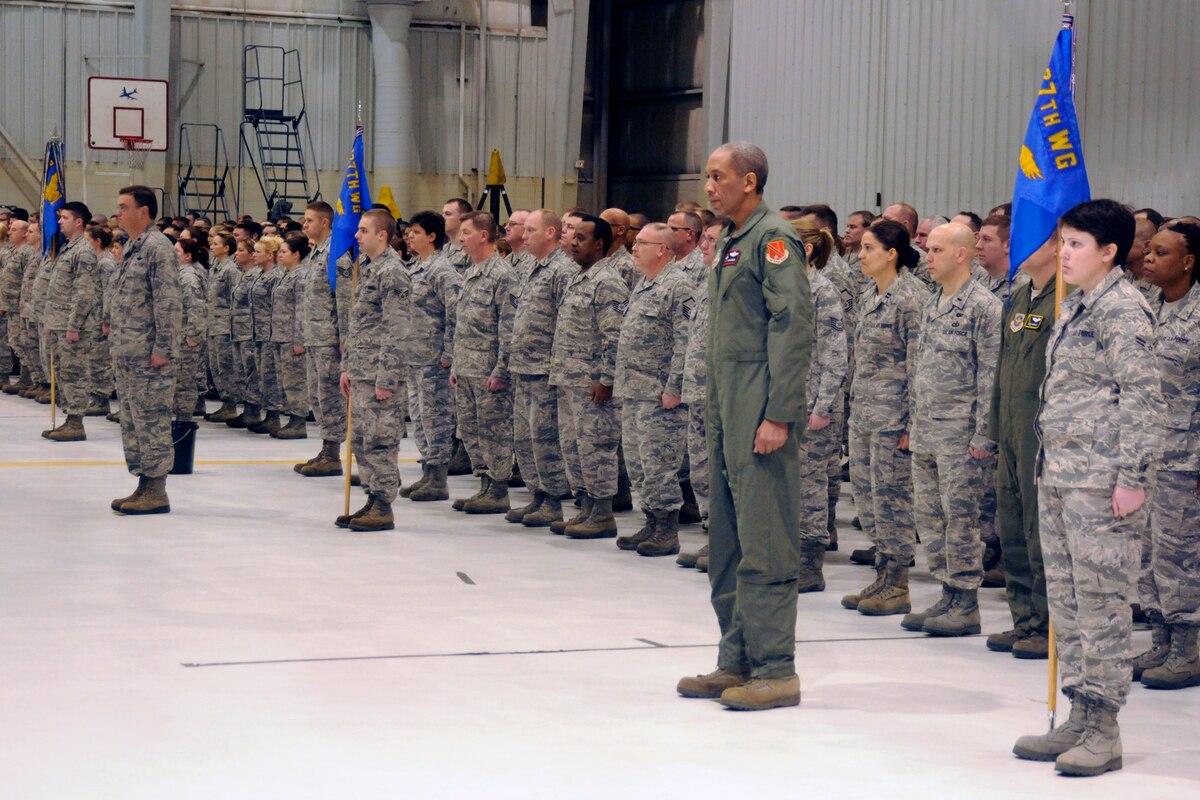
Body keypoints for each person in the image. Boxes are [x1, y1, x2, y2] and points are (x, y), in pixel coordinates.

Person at [1014, 199, 1164, 777]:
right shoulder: (1078, 304)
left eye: (1076, 244)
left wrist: (1133, 478)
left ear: (1109, 252)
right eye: (1063, 242)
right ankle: (1079, 714)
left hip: (1102, 486)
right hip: (1062, 477)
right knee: (1070, 603)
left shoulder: (1121, 310)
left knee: (1101, 606)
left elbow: (1144, 398)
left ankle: (1105, 729)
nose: (1064, 253)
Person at [676, 141, 812, 711]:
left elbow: (792, 325)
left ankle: (776, 669)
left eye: (718, 176)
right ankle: (736, 659)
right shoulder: (733, 239)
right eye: (707, 177)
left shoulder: (773, 238)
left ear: (750, 181)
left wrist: (778, 412)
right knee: (728, 538)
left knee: (766, 537)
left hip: (759, 400)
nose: (709, 187)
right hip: (726, 399)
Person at [902, 223, 1001, 636]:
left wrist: (983, 434)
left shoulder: (984, 307)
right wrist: (913, 422)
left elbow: (991, 375)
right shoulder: (934, 301)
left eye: (937, 250)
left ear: (962, 254)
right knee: (930, 517)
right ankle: (946, 592)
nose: (927, 256)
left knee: (961, 519)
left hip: (961, 435)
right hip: (928, 428)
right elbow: (921, 368)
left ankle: (966, 601)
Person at [841, 220, 929, 616]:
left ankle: (898, 584)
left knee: (893, 500)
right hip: (864, 414)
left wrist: (912, 423)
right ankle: (882, 574)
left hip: (894, 418)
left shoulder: (910, 299)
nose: (860, 255)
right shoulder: (869, 294)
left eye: (869, 248)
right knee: (868, 498)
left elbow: (917, 366)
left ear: (891, 254)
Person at [1133, 221, 1200, 690]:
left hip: (1185, 457)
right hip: (1145, 455)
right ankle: (1160, 639)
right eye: (1149, 250)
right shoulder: (1144, 306)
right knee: (1147, 553)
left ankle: (1187, 650)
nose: (1149, 258)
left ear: (1189, 262)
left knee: (1179, 557)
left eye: (1161, 252)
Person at [986, 235, 1057, 659]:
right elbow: (1002, 366)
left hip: (1041, 432)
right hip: (1012, 428)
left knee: (1038, 529)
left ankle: (1048, 624)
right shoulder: (1018, 298)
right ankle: (1024, 620)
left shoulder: (1065, 299)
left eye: (1033, 236)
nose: (1019, 244)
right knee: (1011, 525)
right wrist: (994, 427)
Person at [612, 222, 692, 556]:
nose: (634, 247)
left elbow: (685, 342)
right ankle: (650, 521)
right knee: (637, 462)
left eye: (641, 243)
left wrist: (675, 387)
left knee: (659, 464)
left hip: (660, 395)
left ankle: (667, 529)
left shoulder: (678, 285)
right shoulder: (644, 283)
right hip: (634, 390)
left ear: (662, 250)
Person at [549, 215, 628, 539]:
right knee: (573, 447)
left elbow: (615, 336)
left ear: (599, 244)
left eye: (581, 238)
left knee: (596, 447)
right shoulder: (577, 277)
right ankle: (585, 507)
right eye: (573, 237)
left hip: (592, 384)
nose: (573, 242)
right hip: (569, 379)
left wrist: (607, 380)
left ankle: (603, 513)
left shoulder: (606, 281)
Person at [107, 185, 183, 515]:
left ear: (144, 211)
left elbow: (168, 302)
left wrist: (163, 347)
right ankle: (143, 484)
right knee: (133, 421)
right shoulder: (133, 246)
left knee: (151, 419)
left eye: (124, 207)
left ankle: (156, 490)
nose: (118, 212)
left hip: (149, 354)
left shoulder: (157, 247)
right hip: (129, 351)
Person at [335, 209, 412, 532]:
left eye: (364, 230)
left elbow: (397, 329)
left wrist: (386, 378)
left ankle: (383, 504)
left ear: (382, 235)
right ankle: (371, 497)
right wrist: (348, 368)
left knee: (380, 440)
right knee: (362, 439)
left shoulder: (392, 272)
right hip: (361, 371)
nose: (356, 235)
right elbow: (360, 325)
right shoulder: (368, 267)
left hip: (379, 373)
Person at [504, 209, 574, 526]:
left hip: (545, 369)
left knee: (545, 438)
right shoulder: (530, 266)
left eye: (531, 230)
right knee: (524, 438)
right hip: (523, 367)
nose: (524, 235)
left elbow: (566, 323)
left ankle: (553, 499)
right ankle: (537, 494)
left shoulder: (562, 270)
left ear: (550, 233)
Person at [787, 220, 847, 592]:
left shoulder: (822, 291)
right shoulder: (784, 288)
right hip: (785, 401)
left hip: (812, 405)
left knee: (809, 486)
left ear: (806, 250)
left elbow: (835, 354)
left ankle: (810, 564)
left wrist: (822, 407)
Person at [449, 211, 518, 514]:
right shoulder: (471, 272)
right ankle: (485, 484)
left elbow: (509, 327)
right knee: (471, 429)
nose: (461, 238)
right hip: (467, 367)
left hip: (489, 369)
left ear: (484, 236)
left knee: (493, 430)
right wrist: (456, 365)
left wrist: (501, 369)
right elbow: (463, 324)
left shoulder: (502, 275)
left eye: (466, 233)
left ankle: (499, 489)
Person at [398, 210, 461, 502]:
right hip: (414, 356)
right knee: (420, 418)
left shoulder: (442, 270)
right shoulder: (415, 267)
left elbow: (455, 314)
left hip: (434, 358)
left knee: (436, 419)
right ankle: (427, 471)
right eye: (409, 232)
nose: (409, 237)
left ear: (432, 236)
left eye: (416, 233)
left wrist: (448, 354)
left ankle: (438, 479)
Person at [676, 216, 726, 571]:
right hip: (698, 392)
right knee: (701, 469)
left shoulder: (735, 286)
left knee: (721, 470)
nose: (703, 246)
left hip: (722, 394)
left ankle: (725, 541)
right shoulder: (707, 281)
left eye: (711, 240)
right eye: (704, 239)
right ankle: (713, 535)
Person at [41, 201, 102, 440]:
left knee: (74, 373)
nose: (59, 221)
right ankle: (69, 418)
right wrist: (51, 322)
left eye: (64, 217)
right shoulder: (68, 248)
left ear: (78, 222)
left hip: (72, 325)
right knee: (62, 372)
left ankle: (76, 422)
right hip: (59, 322)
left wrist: (74, 325)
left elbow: (83, 293)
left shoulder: (83, 251)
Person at [295, 201, 347, 476]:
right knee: (317, 396)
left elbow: (343, 299)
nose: (304, 225)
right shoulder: (315, 253)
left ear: (325, 223)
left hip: (329, 338)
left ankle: (333, 453)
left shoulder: (335, 254)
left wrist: (344, 337)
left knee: (329, 397)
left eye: (309, 220)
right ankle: (327, 447)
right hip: (314, 337)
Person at [270, 232, 310, 438]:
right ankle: (291, 418)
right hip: (281, 335)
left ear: (296, 254)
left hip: (292, 337)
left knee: (295, 381)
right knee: (285, 379)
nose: (280, 255)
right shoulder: (286, 274)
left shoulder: (301, 276)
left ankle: (298, 421)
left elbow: (302, 310)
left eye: (284, 252)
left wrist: (299, 339)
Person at [248, 236, 284, 435]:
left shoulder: (276, 276)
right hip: (259, 332)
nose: (254, 255)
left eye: (258, 252)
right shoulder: (260, 274)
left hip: (271, 332)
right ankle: (269, 414)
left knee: (271, 375)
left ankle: (274, 416)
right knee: (263, 375)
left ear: (270, 255)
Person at [204, 232, 241, 423]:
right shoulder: (215, 267)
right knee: (215, 366)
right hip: (212, 324)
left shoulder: (231, 270)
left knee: (226, 366)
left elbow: (236, 298)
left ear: (226, 248)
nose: (211, 245)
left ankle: (231, 404)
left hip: (224, 325)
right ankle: (225, 402)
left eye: (216, 243)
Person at [171, 237, 209, 422]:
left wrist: (193, 335)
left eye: (177, 251)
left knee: (184, 380)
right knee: (178, 378)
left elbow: (196, 307)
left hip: (186, 336)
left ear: (188, 256)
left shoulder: (188, 277)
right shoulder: (178, 273)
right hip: (178, 334)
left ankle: (184, 417)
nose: (172, 254)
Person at [228, 239, 261, 429]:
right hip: (238, 330)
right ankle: (247, 408)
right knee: (241, 372)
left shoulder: (256, 275)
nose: (236, 253)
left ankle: (253, 410)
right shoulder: (242, 274)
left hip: (249, 331)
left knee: (251, 372)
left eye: (241, 250)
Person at [85, 223, 116, 415]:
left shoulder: (105, 263)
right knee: (92, 358)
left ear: (97, 242)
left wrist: (106, 319)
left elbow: (109, 292)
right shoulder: (95, 261)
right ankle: (95, 395)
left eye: (88, 240)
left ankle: (101, 398)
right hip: (92, 316)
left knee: (99, 360)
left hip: (100, 317)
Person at [441, 198, 474, 271]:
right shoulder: (442, 249)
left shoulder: (472, 249)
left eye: (448, 214)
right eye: (443, 214)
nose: (443, 218)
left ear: (463, 217)